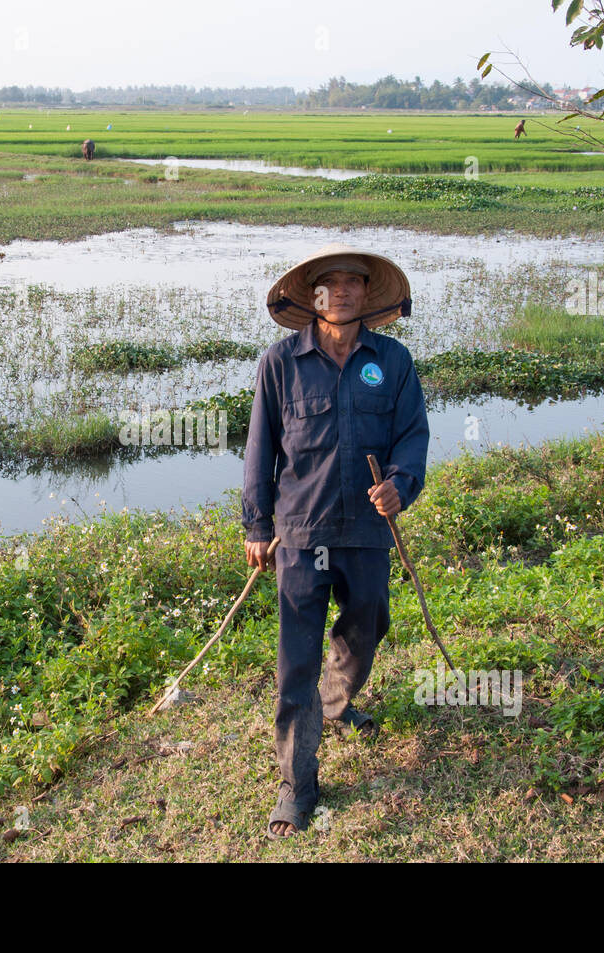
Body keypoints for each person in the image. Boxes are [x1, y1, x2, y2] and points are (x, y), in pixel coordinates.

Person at [242, 243, 429, 839]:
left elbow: (412, 435)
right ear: (312, 297)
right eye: (330, 283)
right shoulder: (279, 363)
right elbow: (259, 450)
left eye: (355, 282)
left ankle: (338, 702)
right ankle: (296, 787)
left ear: (367, 296)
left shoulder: (393, 362)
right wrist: (257, 525)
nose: (343, 291)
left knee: (368, 622)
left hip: (367, 530)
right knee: (296, 660)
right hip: (299, 532)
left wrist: (401, 483)